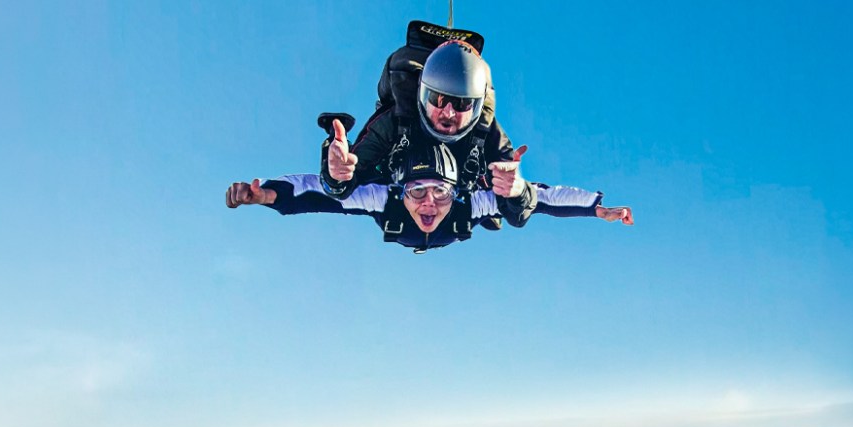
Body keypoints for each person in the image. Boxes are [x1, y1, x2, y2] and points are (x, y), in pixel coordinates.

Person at [225, 146, 632, 254]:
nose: (430, 204)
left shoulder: (467, 203)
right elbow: (316, 194)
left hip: (468, 212)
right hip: (406, 211)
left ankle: (490, 208)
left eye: (441, 192)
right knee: (349, 186)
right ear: (402, 191)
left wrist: (596, 208)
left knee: (506, 203)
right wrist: (267, 195)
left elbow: (541, 197)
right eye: (418, 191)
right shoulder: (383, 199)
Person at [322, 36, 532, 229]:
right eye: (438, 99)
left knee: (495, 214)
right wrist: (336, 175)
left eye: (462, 103)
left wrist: (518, 192)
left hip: (456, 195)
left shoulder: (488, 135)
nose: (448, 113)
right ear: (422, 94)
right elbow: (344, 186)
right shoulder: (394, 121)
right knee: (369, 182)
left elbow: (519, 216)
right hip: (398, 188)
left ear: (476, 107)